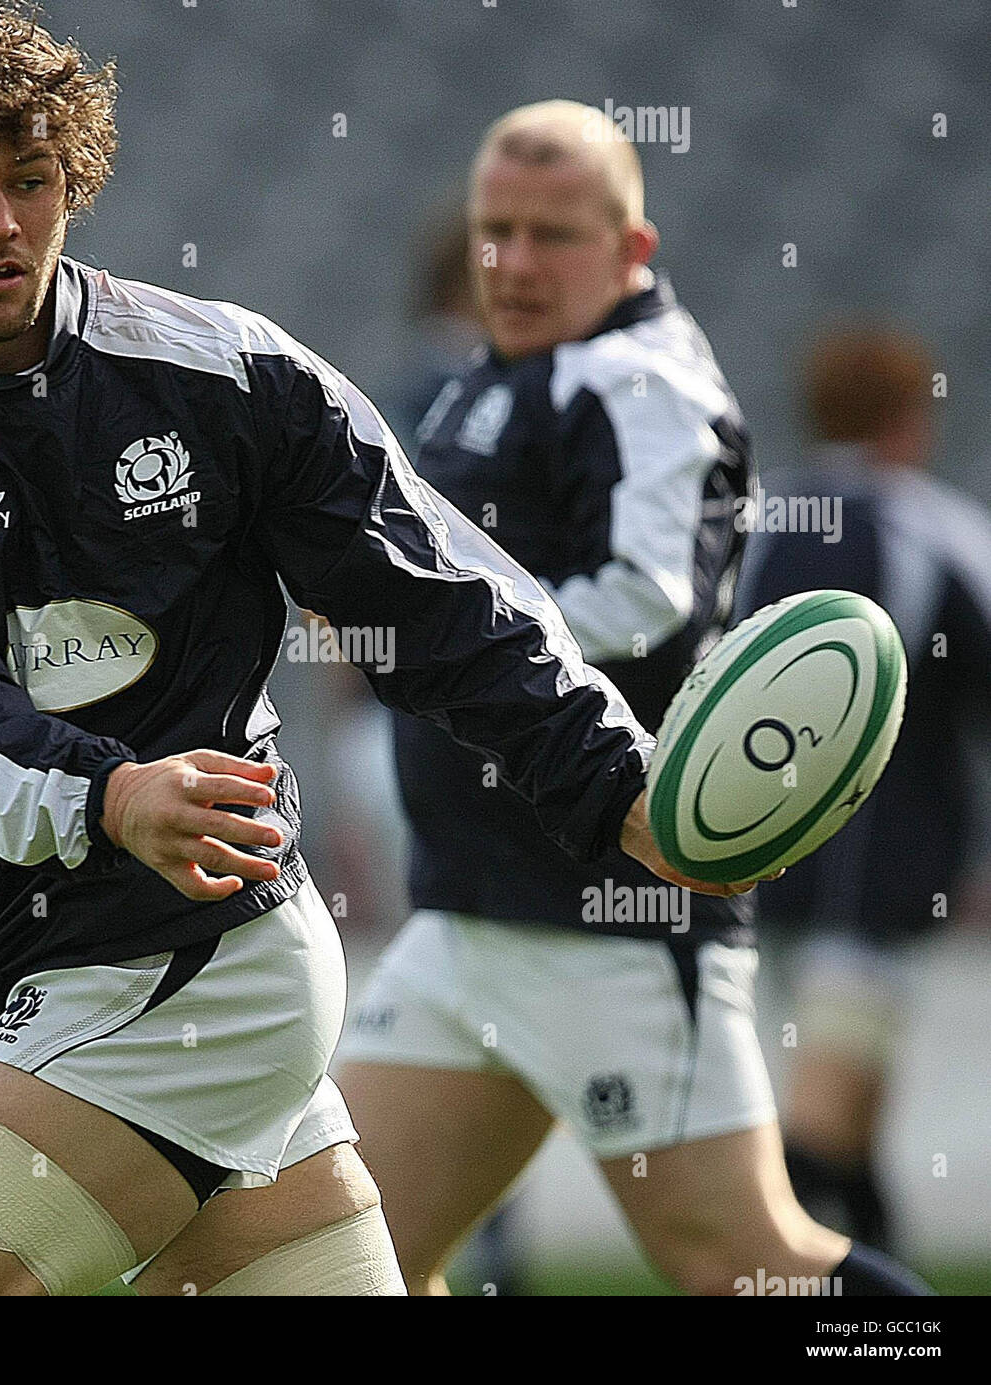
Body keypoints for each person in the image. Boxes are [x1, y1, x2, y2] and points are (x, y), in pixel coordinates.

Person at [0, 3, 740, 1297]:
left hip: (199, 957)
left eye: (31, 181)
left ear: (73, 182)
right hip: (62, 958)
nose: (0, 223)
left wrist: (615, 785)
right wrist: (105, 793)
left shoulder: (225, 372)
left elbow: (436, 594)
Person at [139, 100, 935, 1298]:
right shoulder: (493, 378)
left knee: (751, 1264)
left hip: (608, 920)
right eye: (492, 231)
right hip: (471, 921)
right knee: (302, 1269)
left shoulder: (640, 380)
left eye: (551, 233)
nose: (512, 262)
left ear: (632, 249)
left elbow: (651, 597)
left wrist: (440, 638)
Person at [733, 325, 991, 1253]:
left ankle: (877, 1296)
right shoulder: (938, 532)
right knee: (821, 1137)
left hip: (756, 869)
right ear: (910, 419)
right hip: (881, 881)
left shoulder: (754, 530)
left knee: (847, 1118)